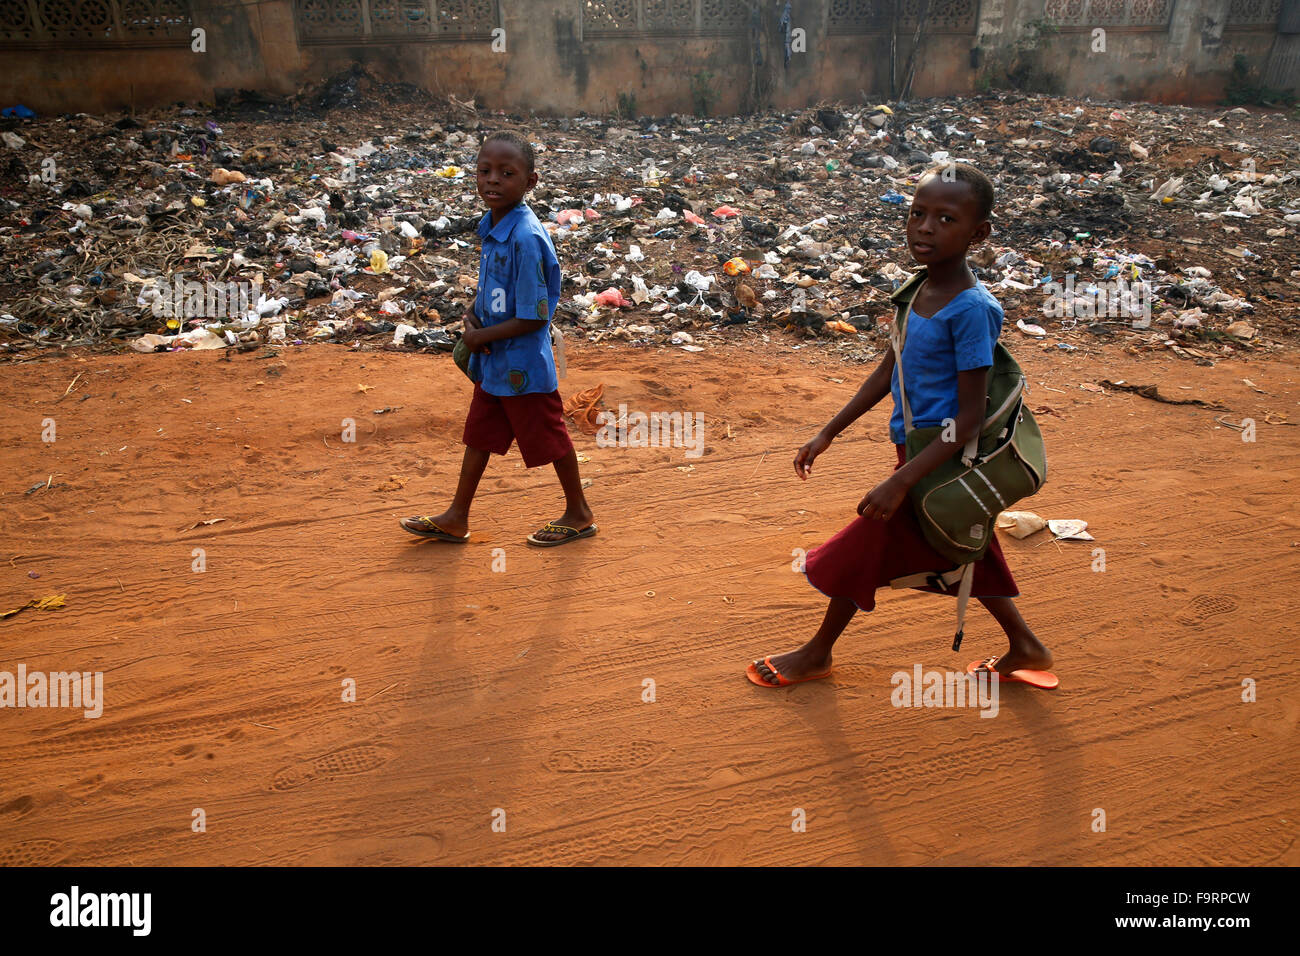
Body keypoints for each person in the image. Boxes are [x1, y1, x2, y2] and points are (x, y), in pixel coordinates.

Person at [747, 163, 1052, 687]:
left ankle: (818, 652)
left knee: (863, 547)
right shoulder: (915, 292)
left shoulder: (972, 311)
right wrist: (828, 432)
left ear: (978, 234)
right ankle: (1025, 646)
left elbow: (971, 415)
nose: (925, 227)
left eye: (945, 218)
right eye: (917, 213)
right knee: (968, 545)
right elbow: (890, 372)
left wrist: (902, 479)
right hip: (916, 455)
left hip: (940, 458)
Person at [400, 131, 596, 547]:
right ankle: (456, 516)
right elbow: (495, 291)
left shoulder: (525, 237)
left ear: (531, 181)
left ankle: (578, 512)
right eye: (485, 171)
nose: (493, 180)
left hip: (523, 365)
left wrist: (479, 335)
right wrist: (473, 316)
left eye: (507, 173)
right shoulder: (492, 227)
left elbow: (534, 316)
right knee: (480, 433)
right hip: (494, 360)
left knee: (549, 436)